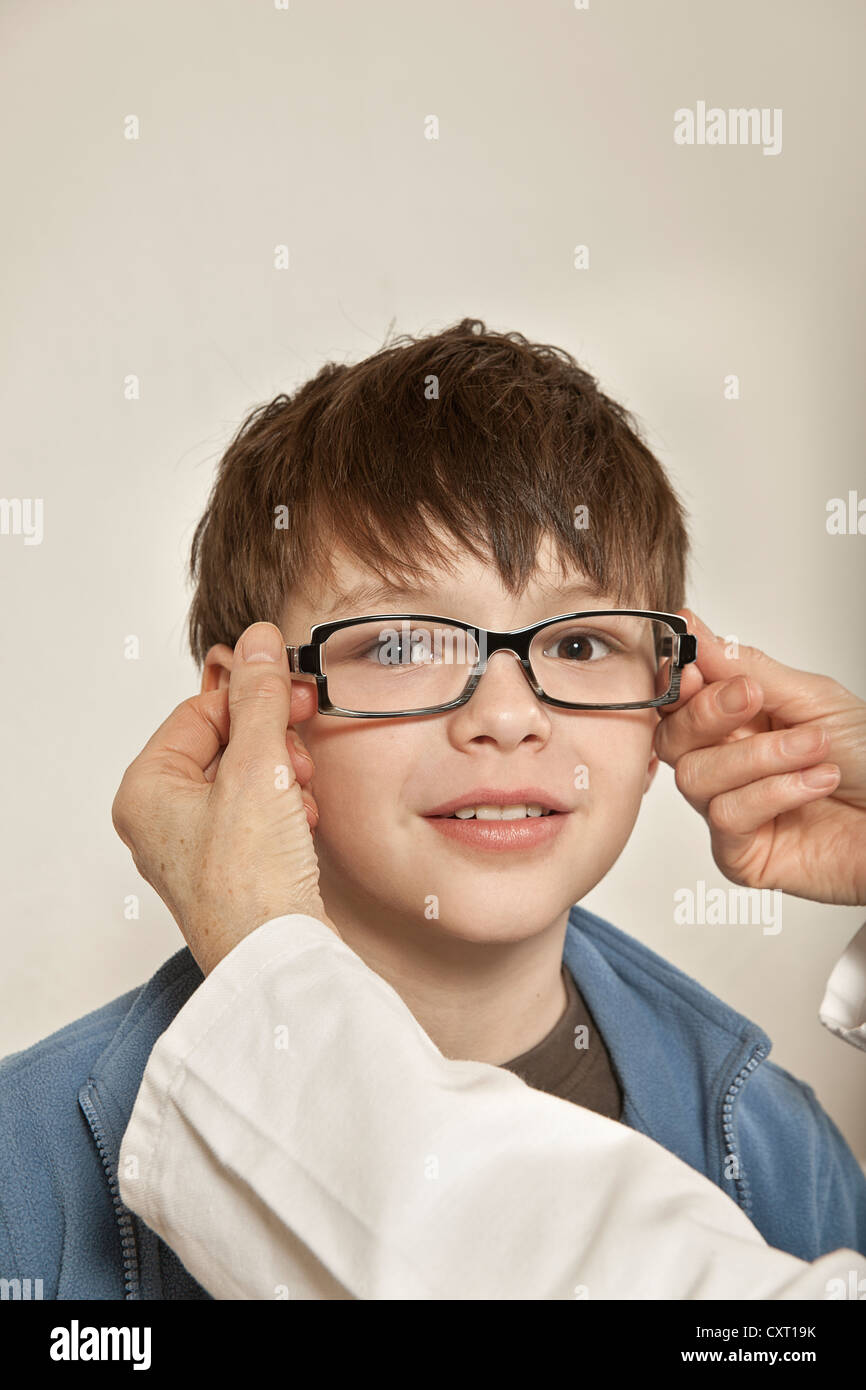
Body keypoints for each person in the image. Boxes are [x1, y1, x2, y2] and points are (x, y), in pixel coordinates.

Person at [1, 319, 864, 1300]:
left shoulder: (777, 1147)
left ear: (669, 692)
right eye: (403, 644)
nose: (506, 716)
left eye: (579, 646)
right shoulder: (21, 1174)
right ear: (239, 713)